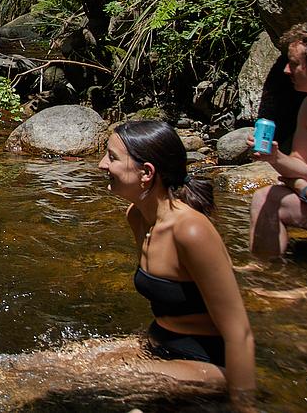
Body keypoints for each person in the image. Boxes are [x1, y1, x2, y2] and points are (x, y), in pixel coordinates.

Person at [98, 120, 256, 410]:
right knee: (35, 366)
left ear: (146, 173)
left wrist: (243, 405)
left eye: (112, 157)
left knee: (76, 376)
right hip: (160, 345)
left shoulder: (191, 231)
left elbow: (240, 333)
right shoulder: (137, 216)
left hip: (207, 362)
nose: (101, 164)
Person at [248, 22, 307, 258]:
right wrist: (275, 157)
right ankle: (265, 276)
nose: (285, 70)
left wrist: (301, 185)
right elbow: (301, 165)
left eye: (293, 64)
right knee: (265, 198)